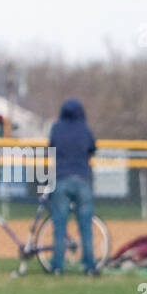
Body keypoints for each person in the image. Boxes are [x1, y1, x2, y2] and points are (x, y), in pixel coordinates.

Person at [47, 98, 98, 274]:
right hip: (82, 180)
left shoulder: (57, 128)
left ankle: (57, 267)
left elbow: (51, 147)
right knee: (85, 226)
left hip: (61, 180)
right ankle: (90, 266)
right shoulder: (85, 129)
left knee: (60, 226)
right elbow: (92, 149)